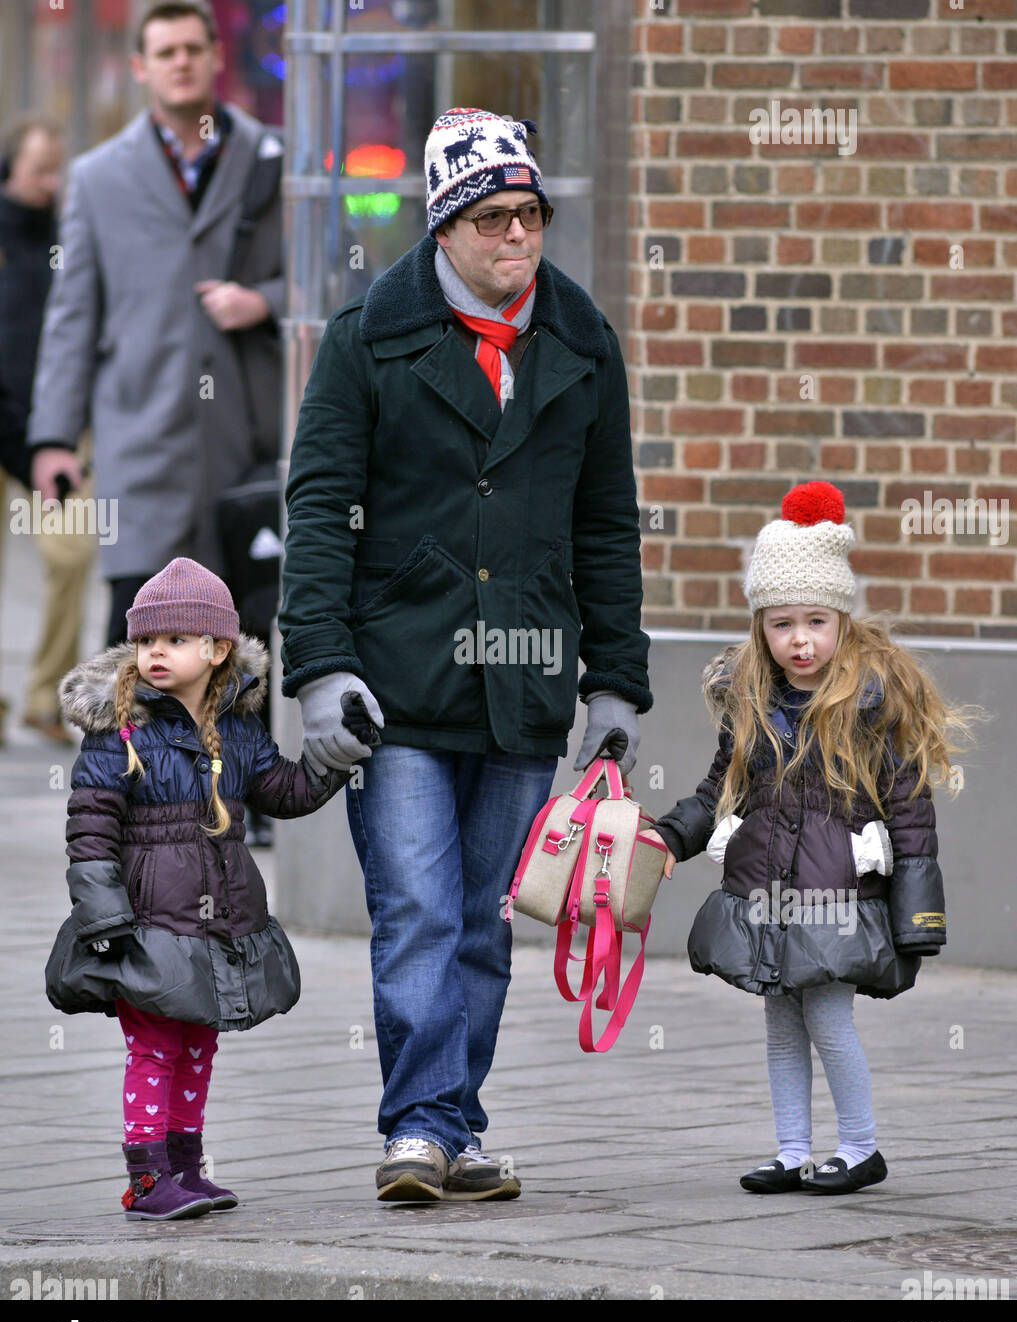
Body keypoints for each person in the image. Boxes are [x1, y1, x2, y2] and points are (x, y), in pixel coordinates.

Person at [278, 107, 652, 1202]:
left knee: (490, 924)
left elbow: (606, 525)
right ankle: (421, 1127)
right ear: (443, 228)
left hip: (525, 683)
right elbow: (316, 508)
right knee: (420, 913)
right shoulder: (367, 337)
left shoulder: (583, 344)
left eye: (530, 215)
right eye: (492, 219)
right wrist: (318, 667)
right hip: (396, 685)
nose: (518, 238)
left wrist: (618, 678)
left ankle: (450, 1119)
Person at [645, 480, 971, 1196]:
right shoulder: (752, 701)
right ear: (760, 626)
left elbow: (910, 805)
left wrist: (916, 911)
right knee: (780, 1023)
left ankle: (858, 1146)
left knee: (827, 1018)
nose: (799, 640)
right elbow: (718, 789)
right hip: (768, 892)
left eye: (815, 621)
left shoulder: (870, 700)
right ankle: (792, 1148)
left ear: (841, 619)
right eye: (781, 623)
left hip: (838, 892)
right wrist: (669, 838)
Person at [45, 557, 373, 1220]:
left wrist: (336, 756)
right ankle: (146, 1180)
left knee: (198, 1042)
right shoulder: (120, 731)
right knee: (155, 1047)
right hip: (144, 922)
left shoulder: (240, 732)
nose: (153, 652)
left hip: (215, 921)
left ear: (218, 648)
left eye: (172, 640)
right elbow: (90, 831)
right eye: (144, 641)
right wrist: (104, 919)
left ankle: (185, 1169)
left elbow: (286, 792)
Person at [25, 1, 282, 648]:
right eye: (165, 53)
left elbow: (335, 277)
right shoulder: (95, 178)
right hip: (140, 456)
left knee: (241, 659)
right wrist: (52, 437)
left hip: (245, 451)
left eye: (194, 49)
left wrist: (264, 301)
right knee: (133, 661)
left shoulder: (272, 159)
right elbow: (71, 317)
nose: (182, 63)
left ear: (217, 56)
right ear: (140, 67)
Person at [0, 111, 95, 745]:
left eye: (57, 170)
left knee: (73, 553)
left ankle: (42, 696)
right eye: (39, 169)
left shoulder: (70, 233)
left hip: (52, 430)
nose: (50, 180)